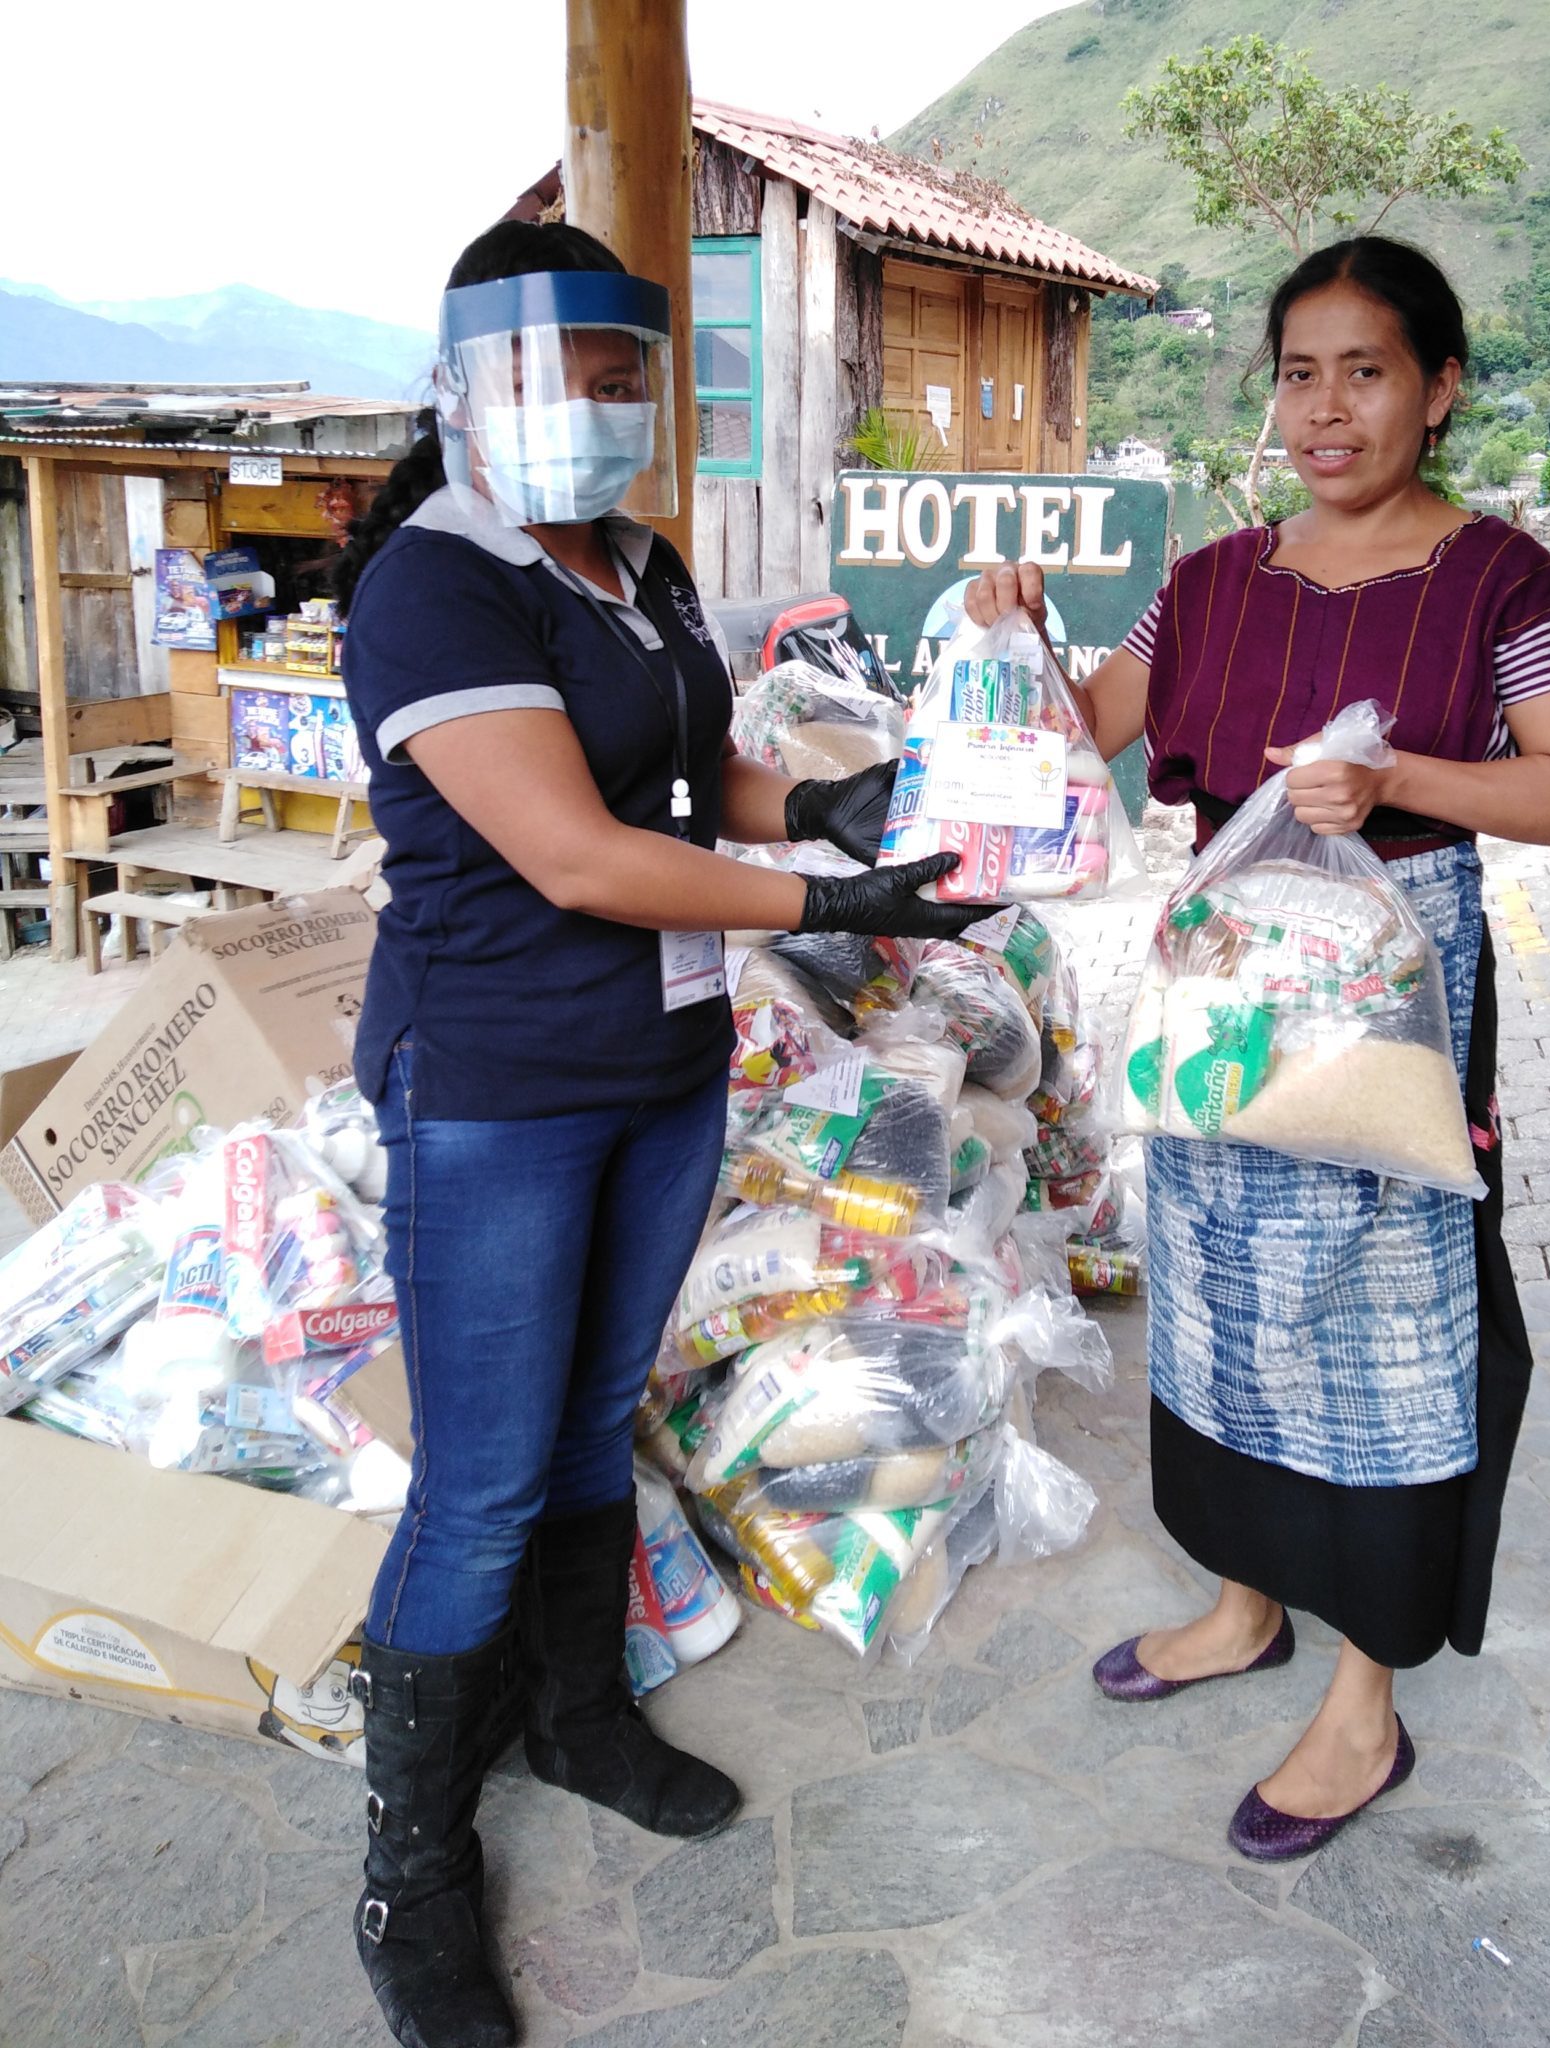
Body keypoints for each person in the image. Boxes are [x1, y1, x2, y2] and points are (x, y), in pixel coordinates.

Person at [333, 219, 976, 2048]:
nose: (596, 412)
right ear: (466, 389)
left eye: (625, 379)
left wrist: (830, 800)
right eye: (558, 379)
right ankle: (414, 1870)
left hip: (662, 1065)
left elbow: (688, 778)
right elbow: (577, 850)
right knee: (477, 1483)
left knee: (596, 1412)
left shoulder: (641, 560)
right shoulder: (433, 586)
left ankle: (578, 1713)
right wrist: (828, 910)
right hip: (500, 1086)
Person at [969, 235, 1550, 1864]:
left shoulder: (1504, 582)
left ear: (1440, 385)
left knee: (1386, 1316)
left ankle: (1364, 1695)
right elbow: (1072, 749)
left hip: (1398, 985)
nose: (1326, 410)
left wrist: (1403, 774)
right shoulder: (1208, 583)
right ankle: (1243, 1602)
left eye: (1368, 370)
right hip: (1222, 984)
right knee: (1220, 1292)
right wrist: (1018, 638)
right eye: (1299, 373)